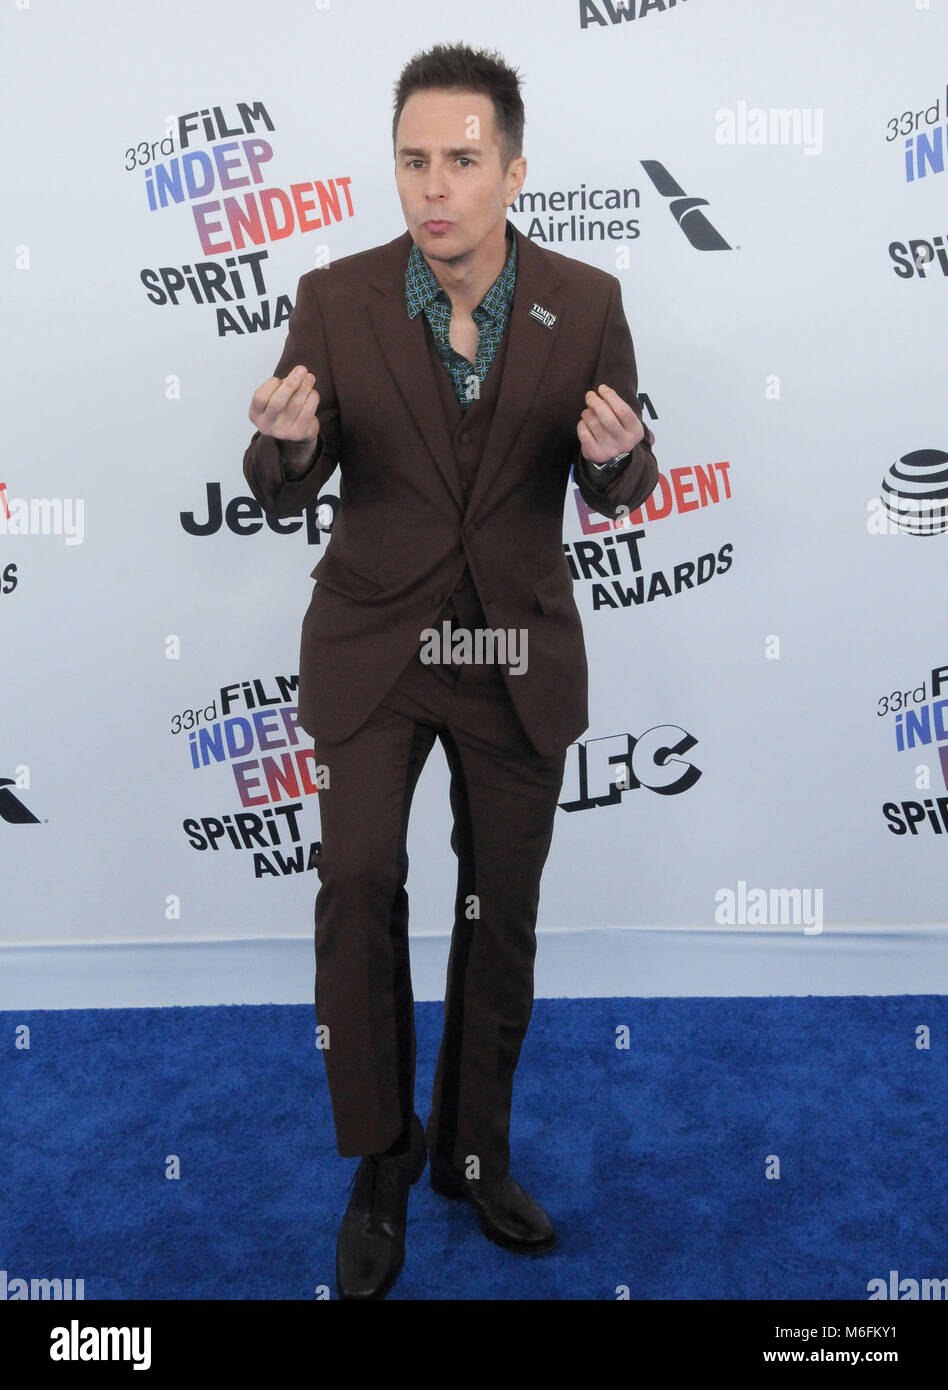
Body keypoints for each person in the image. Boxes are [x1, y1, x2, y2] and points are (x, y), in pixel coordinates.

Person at [242, 41, 659, 1300]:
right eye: (415, 160)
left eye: (462, 161)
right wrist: (288, 447)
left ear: (513, 171)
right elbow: (280, 479)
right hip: (380, 643)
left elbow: (621, 474)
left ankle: (474, 1152)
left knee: (501, 915)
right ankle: (381, 1160)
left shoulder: (584, 302)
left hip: (514, 652)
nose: (434, 187)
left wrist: (618, 458)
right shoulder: (336, 295)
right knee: (359, 878)